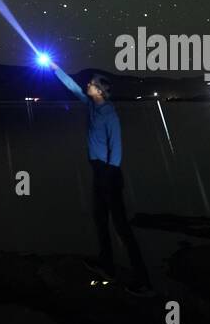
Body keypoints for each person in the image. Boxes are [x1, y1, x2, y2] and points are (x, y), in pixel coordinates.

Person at [52, 65, 152, 295]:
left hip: (110, 174)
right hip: (98, 171)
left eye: (92, 83)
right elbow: (73, 87)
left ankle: (143, 280)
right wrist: (57, 70)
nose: (87, 85)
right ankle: (107, 266)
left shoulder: (110, 114)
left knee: (122, 228)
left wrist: (108, 175)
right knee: (100, 220)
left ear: (100, 91)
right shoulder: (91, 107)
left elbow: (116, 148)